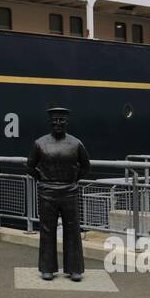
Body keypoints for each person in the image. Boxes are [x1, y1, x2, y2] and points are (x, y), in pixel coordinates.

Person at [26, 107, 91, 281]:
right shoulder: (40, 143)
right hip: (47, 192)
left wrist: (73, 179)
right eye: (55, 120)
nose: (58, 123)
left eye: (61, 120)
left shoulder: (76, 144)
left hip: (69, 191)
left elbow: (86, 166)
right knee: (47, 230)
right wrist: (42, 179)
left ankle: (74, 269)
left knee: (73, 230)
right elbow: (30, 166)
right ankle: (47, 268)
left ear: (66, 122)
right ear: (50, 122)